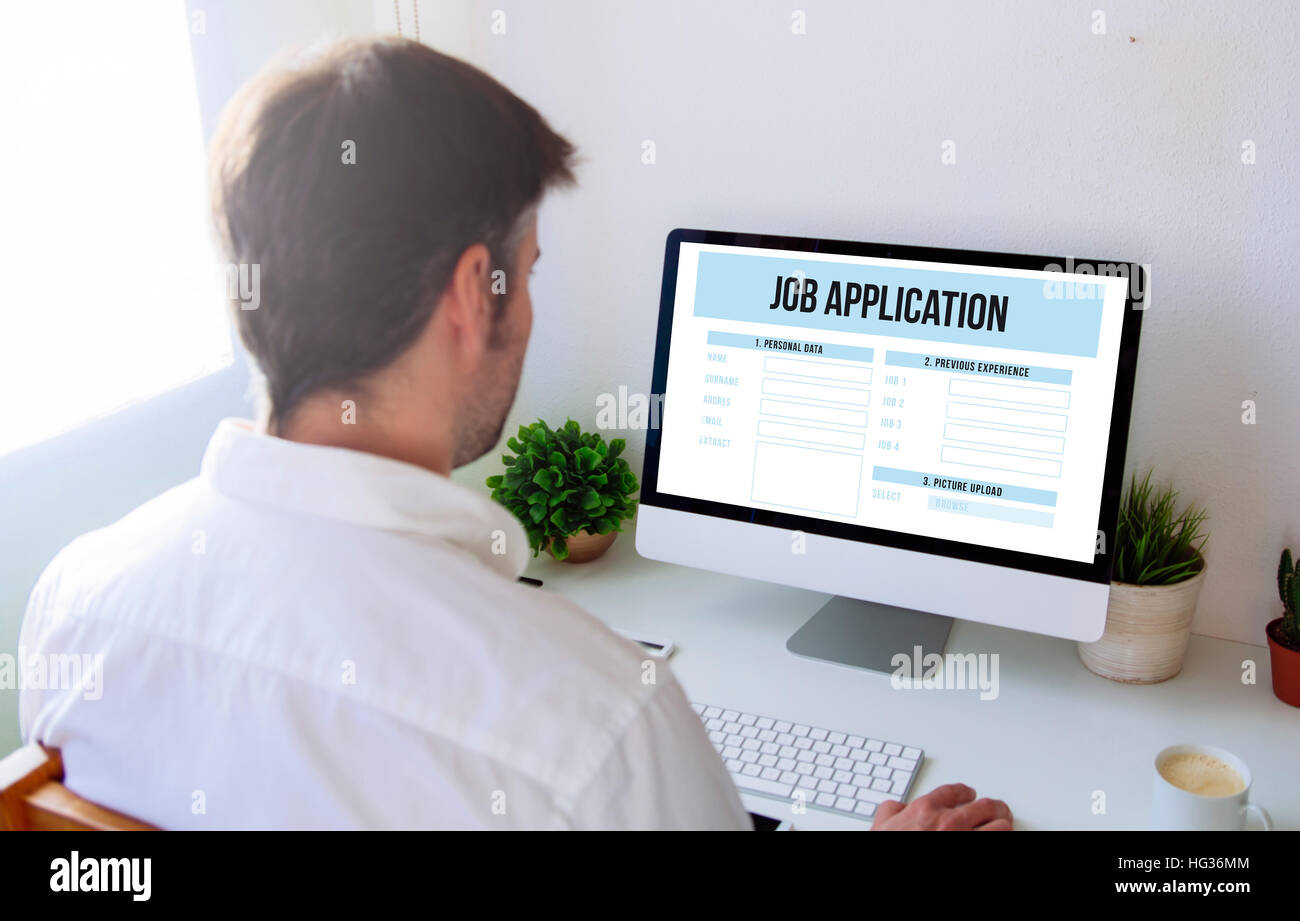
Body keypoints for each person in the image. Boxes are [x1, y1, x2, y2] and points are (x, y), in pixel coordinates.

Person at [19, 36, 1012, 831]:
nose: (531, 306)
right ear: (469, 294)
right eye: (529, 270)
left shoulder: (79, 600)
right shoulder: (597, 725)